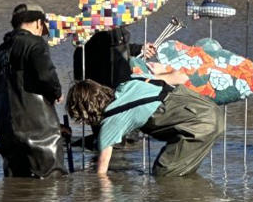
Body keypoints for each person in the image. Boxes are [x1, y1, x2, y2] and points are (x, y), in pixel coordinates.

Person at [65, 72, 224, 176]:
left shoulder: (110, 124)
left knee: (164, 174)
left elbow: (101, 173)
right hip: (208, 108)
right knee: (183, 170)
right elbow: (181, 77)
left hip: (199, 125)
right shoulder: (129, 84)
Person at [72, 0, 157, 149]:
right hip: (104, 98)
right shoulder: (108, 27)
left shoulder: (99, 18)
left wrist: (137, 49)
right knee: (114, 151)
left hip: (95, 96)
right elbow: (111, 64)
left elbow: (110, 51)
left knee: (109, 146)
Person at [0, 3, 67, 178]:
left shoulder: (1, 50)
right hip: (38, 128)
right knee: (52, 179)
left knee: (15, 178)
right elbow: (46, 75)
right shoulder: (35, 44)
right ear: (39, 23)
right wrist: (57, 92)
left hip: (7, 127)